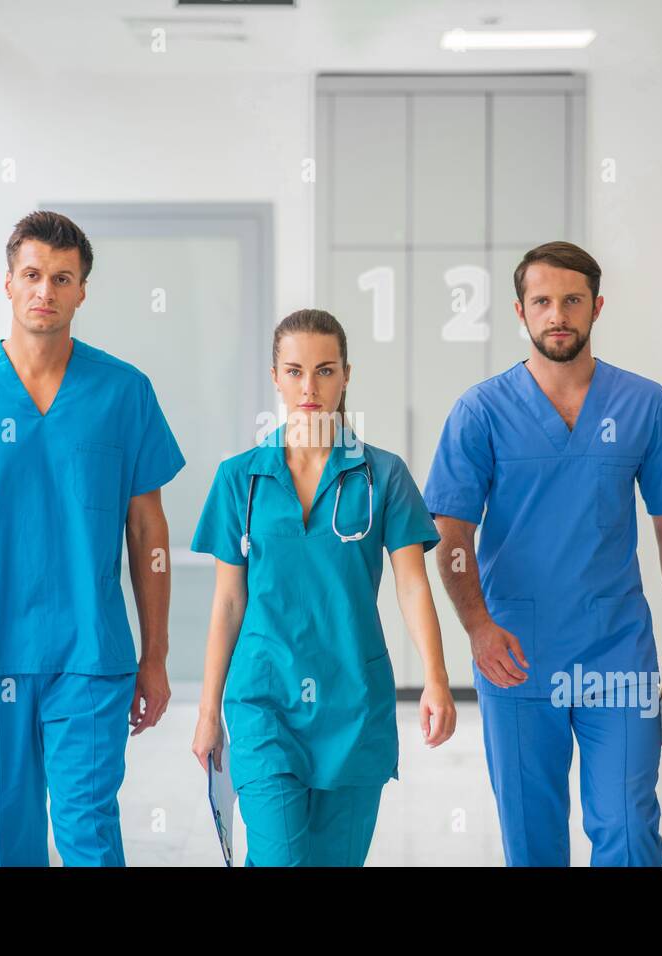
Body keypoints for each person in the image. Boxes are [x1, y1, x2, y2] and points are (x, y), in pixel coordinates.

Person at [0, 210, 185, 866]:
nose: (44, 289)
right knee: (12, 840)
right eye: (31, 274)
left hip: (91, 651)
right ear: (8, 283)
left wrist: (156, 653)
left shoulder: (123, 392)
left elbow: (147, 530)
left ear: (82, 291)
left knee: (88, 832)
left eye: (61, 277)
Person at [423, 241, 662, 867]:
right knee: (532, 838)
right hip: (515, 653)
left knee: (630, 827)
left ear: (597, 307)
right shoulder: (481, 411)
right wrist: (477, 627)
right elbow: (451, 535)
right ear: (520, 312)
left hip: (618, 649)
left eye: (572, 300)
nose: (558, 314)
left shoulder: (644, 404)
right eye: (543, 301)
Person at [189, 309, 456, 866]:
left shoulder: (383, 475)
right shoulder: (240, 478)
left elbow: (412, 586)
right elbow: (228, 602)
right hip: (263, 698)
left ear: (346, 375)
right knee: (279, 858)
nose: (309, 387)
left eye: (325, 370)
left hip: (353, 700)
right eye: (294, 371)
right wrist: (208, 710)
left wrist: (435, 679)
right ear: (275, 377)